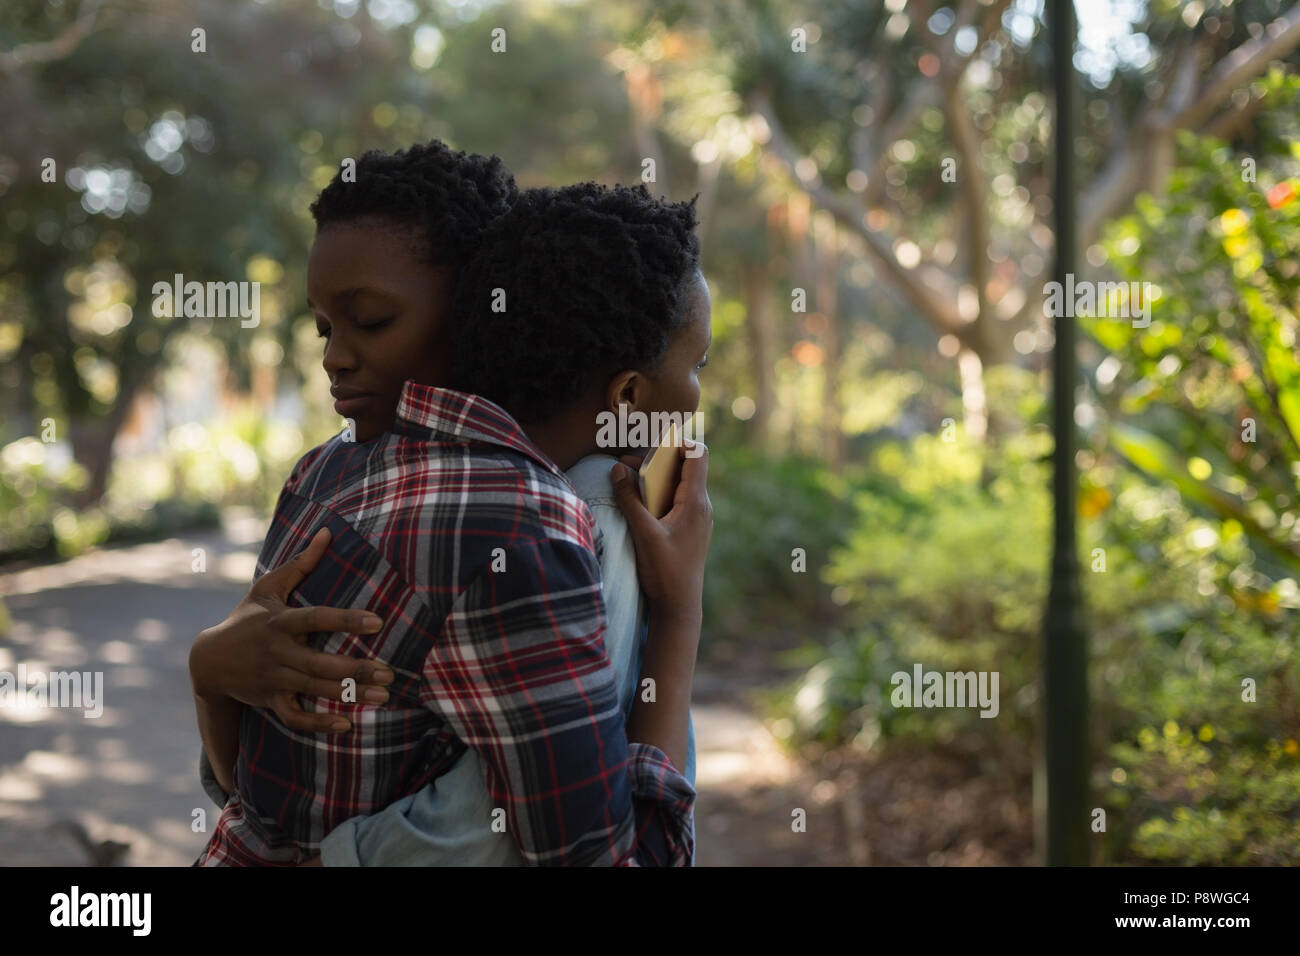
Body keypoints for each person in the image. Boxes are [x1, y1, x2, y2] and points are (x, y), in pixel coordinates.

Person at [190, 149, 710, 865]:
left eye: (369, 320)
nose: (333, 358)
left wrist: (210, 681)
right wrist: (680, 614)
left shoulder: (324, 471)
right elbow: (595, 852)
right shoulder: (536, 521)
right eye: (327, 327)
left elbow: (251, 798)